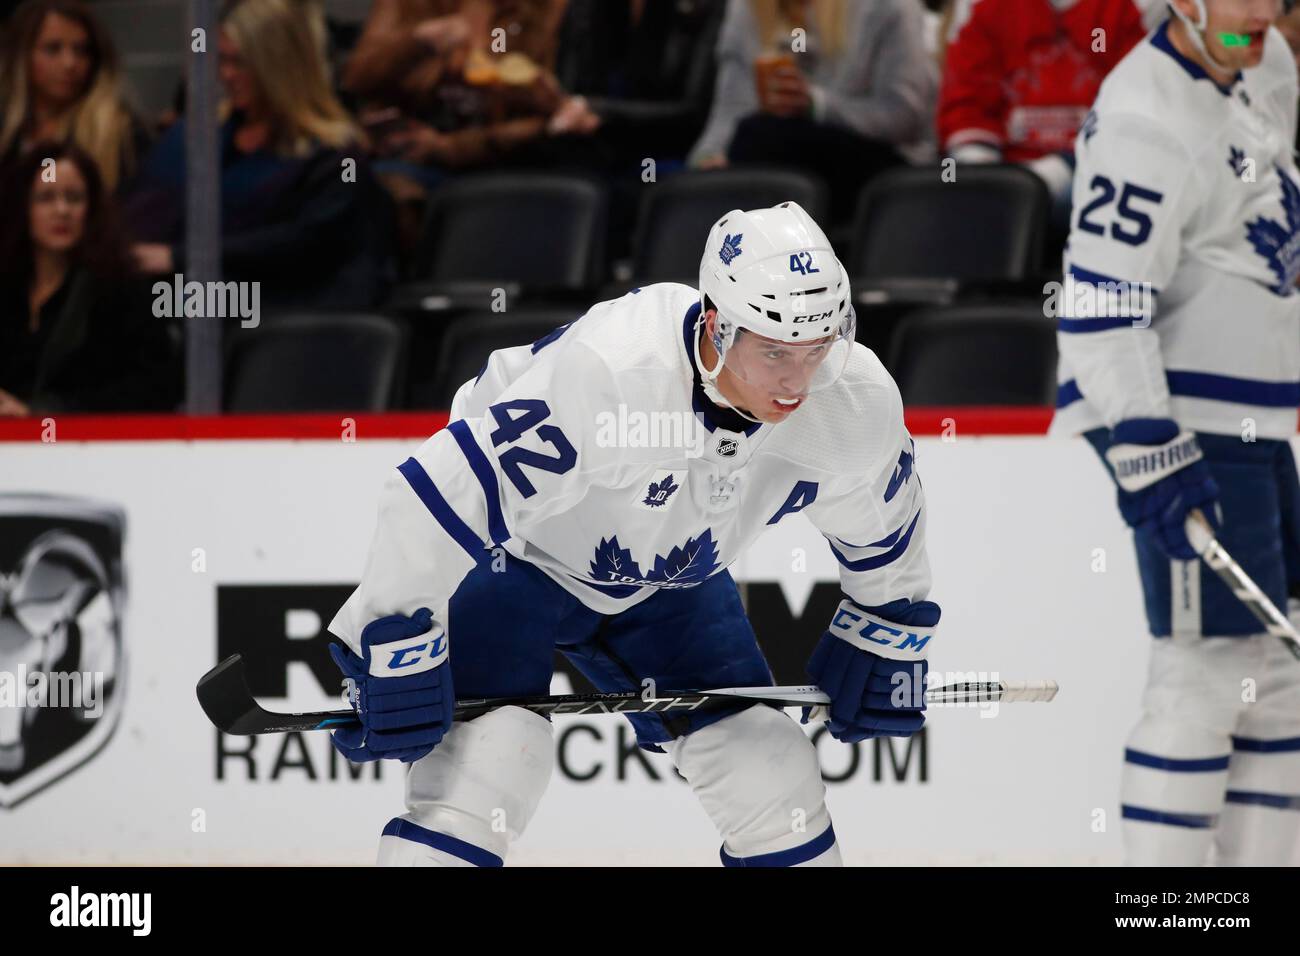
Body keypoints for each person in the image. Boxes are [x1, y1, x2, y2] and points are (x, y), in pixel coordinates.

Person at [327, 202, 938, 867]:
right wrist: (392, 636)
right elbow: (439, 493)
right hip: (519, 561)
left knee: (769, 767)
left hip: (672, 581)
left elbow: (885, 523)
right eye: (774, 352)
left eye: (819, 346)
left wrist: (885, 623)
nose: (799, 380)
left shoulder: (851, 398)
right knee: (489, 767)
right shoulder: (615, 369)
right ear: (717, 326)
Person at [1052, 0, 1300, 864]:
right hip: (1184, 422)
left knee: (1274, 678)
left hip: (1259, 424)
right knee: (1202, 670)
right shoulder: (1144, 117)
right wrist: (1151, 448)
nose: (1261, 11)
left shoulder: (1268, 70)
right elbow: (1096, 308)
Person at [124, 0, 393, 311]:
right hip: (178, 296)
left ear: (278, 66)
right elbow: (142, 208)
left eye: (239, 63)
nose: (226, 75)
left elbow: (303, 246)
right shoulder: (197, 135)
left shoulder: (337, 159)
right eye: (221, 60)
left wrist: (178, 257)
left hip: (268, 309)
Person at [0, 142, 178, 415]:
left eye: (74, 198)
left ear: (91, 208)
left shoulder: (121, 288)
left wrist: (42, 412)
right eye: (46, 197)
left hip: (87, 447)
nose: (62, 210)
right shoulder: (8, 284)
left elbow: (154, 388)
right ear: (23, 208)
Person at [0, 0, 148, 190]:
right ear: (23, 56)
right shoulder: (7, 130)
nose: (70, 63)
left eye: (81, 51)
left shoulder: (120, 133)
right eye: (52, 49)